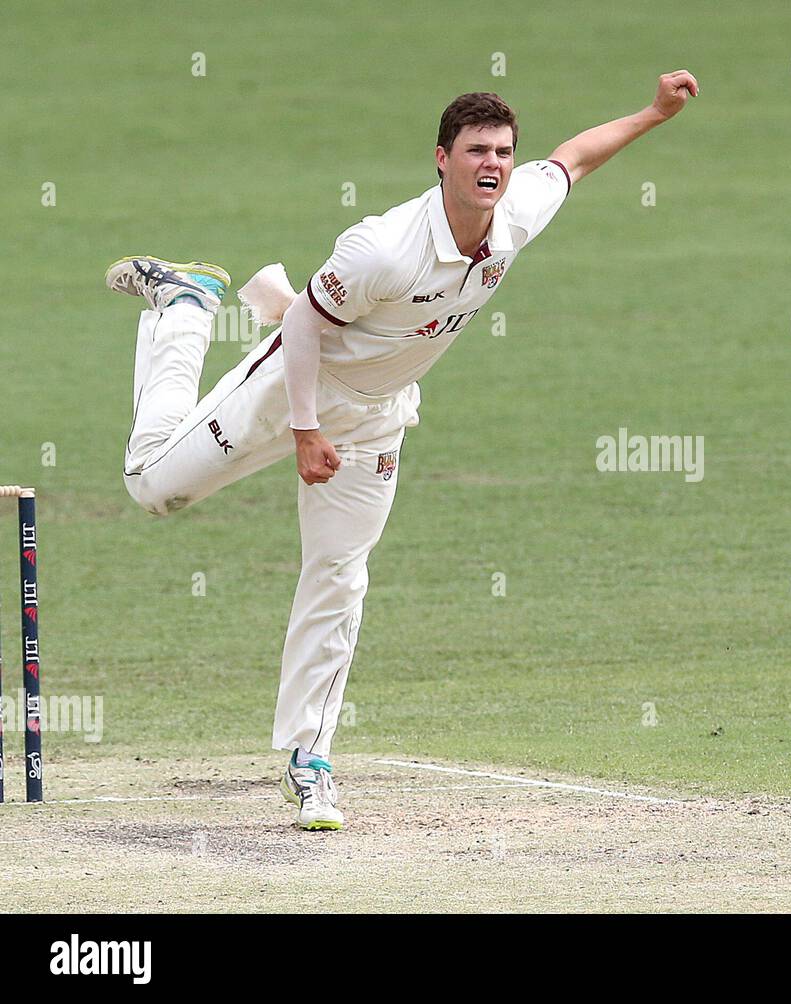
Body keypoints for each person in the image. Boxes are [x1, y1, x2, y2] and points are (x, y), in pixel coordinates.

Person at [104, 71, 700, 830]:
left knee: (339, 575)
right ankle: (185, 306)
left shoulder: (515, 210)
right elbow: (306, 329)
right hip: (291, 385)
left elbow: (576, 157)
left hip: (377, 418)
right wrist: (305, 428)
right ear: (441, 160)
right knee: (153, 486)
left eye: (503, 151)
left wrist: (654, 112)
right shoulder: (382, 247)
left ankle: (307, 762)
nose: (494, 163)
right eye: (477, 150)